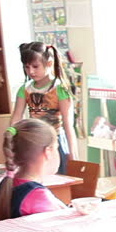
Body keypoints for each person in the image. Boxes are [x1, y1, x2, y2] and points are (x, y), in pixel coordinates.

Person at [11, 42, 78, 174]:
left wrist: (72, 153)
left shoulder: (59, 88)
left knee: (60, 180)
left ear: (49, 63)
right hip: (33, 142)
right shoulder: (24, 89)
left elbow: (68, 124)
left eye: (35, 66)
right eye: (27, 67)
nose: (31, 71)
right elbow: (16, 119)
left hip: (56, 142)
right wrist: (12, 140)